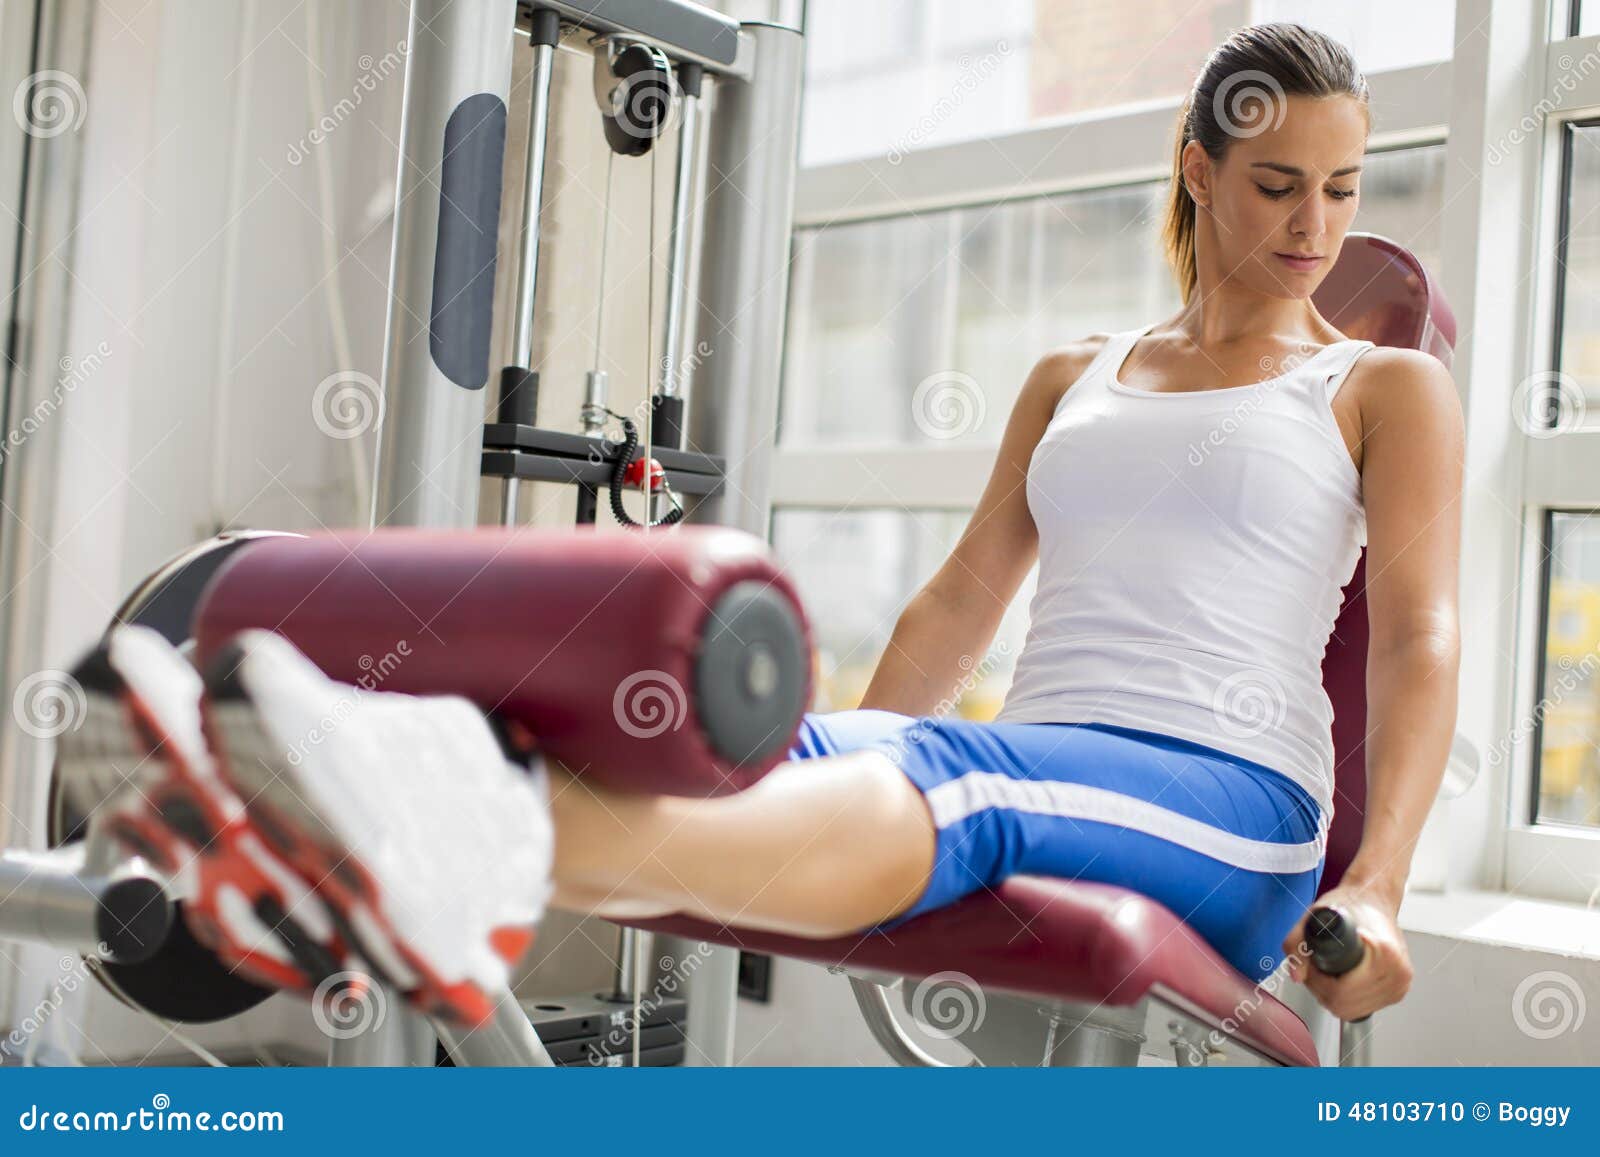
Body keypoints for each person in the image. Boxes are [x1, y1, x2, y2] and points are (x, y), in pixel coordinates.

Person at [67, 21, 1461, 1030]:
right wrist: (819, 751)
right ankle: (299, 833)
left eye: (1343, 189)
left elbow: (1417, 638)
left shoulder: (1380, 385)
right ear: (1200, 170)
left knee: (964, 791)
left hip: (1235, 810)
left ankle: (454, 839)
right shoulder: (1072, 375)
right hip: (1043, 753)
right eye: (1281, 185)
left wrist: (1382, 883)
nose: (1317, 227)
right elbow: (958, 604)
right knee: (777, 755)